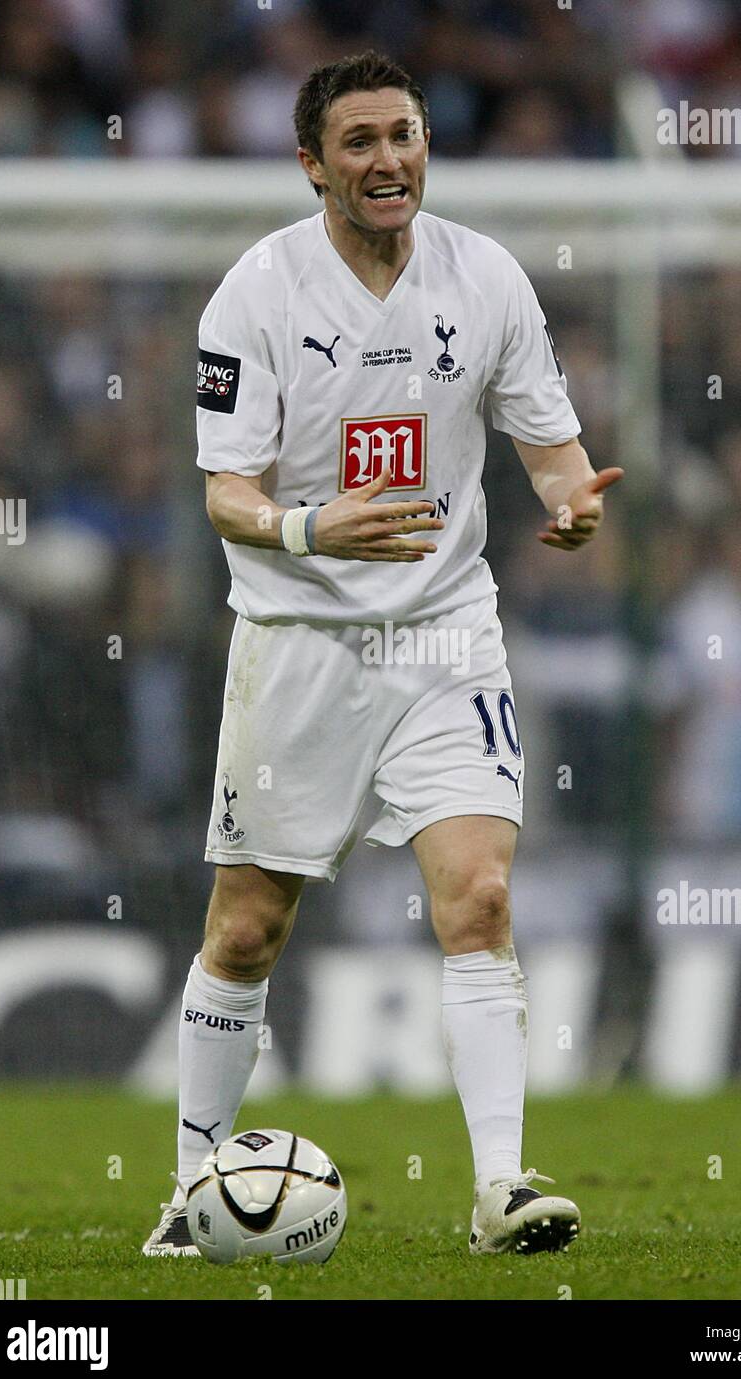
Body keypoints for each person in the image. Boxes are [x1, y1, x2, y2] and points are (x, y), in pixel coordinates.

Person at [144, 50, 621, 1260]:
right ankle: (193, 1187)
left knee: (482, 895)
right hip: (298, 641)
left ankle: (503, 1191)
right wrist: (313, 526)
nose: (388, 159)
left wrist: (573, 507)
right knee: (247, 929)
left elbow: (556, 455)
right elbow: (225, 493)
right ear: (313, 165)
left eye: (402, 134)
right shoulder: (253, 297)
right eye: (358, 142)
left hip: (448, 635)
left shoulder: (489, 278)